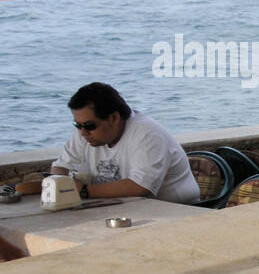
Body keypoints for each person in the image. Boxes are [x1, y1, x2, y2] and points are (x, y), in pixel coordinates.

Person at [51, 83, 199, 204]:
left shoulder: (147, 134)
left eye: (90, 126)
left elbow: (140, 187)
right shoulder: (84, 133)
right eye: (78, 125)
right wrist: (59, 184)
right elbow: (60, 167)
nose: (83, 132)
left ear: (114, 118)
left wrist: (84, 190)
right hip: (124, 207)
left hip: (177, 210)